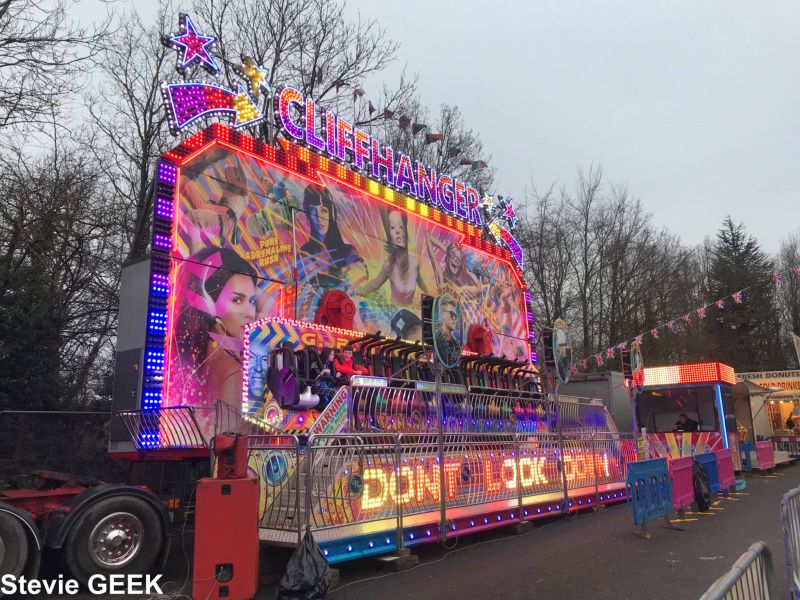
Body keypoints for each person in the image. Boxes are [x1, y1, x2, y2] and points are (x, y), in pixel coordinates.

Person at [174, 247, 257, 412]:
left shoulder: (194, 360)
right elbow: (232, 432)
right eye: (237, 300)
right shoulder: (236, 373)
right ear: (207, 304)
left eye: (252, 301)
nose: (250, 313)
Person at [357, 208, 430, 306]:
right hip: (393, 315)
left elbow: (422, 285)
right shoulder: (389, 266)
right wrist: (357, 293)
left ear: (406, 234)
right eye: (392, 227)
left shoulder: (415, 263)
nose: (397, 231)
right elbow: (375, 285)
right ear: (389, 236)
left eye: (401, 227)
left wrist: (433, 299)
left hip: (411, 315)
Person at [298, 185, 362, 289]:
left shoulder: (348, 251)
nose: (319, 217)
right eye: (313, 210)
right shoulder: (304, 254)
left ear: (331, 215)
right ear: (308, 214)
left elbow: (360, 283)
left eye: (324, 210)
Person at [184, 165, 250, 253]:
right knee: (185, 182)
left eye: (229, 175)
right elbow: (217, 174)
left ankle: (196, 259)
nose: (226, 177)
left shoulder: (243, 190)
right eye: (226, 175)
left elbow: (243, 175)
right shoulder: (228, 187)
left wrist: (238, 155)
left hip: (225, 219)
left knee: (192, 217)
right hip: (214, 211)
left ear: (237, 176)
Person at [433, 296, 463, 367]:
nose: (454, 318)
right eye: (451, 314)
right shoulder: (437, 340)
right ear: (443, 315)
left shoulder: (456, 345)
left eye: (455, 315)